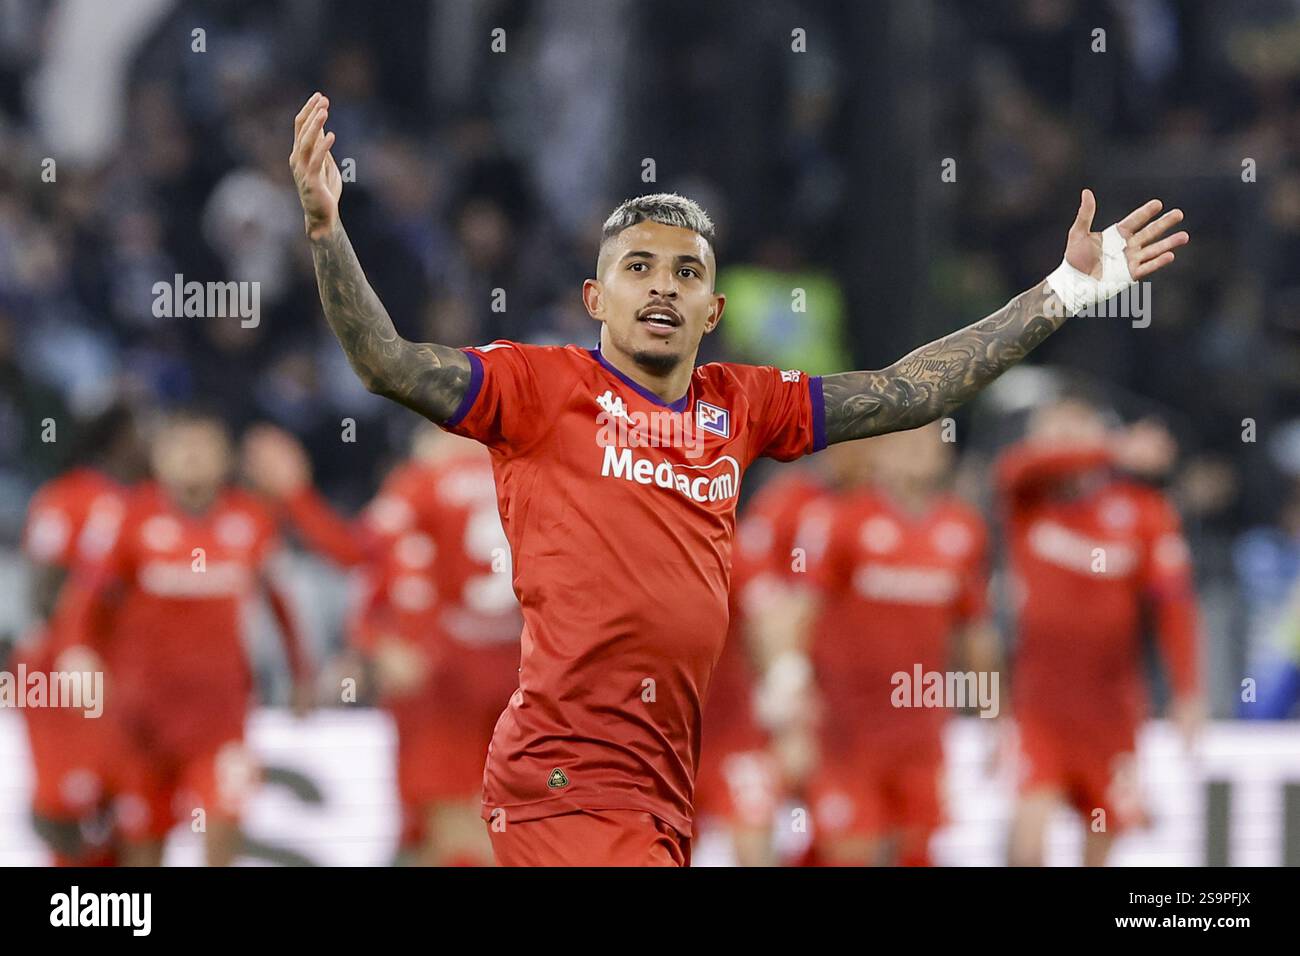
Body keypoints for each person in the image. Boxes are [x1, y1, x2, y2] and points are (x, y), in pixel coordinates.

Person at [289, 89, 1190, 865]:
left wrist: (1063, 292)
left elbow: (910, 391)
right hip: (565, 771)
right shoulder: (537, 388)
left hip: (661, 775)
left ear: (713, 309)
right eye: (636, 267)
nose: (662, 286)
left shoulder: (742, 405)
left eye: (686, 273)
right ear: (595, 299)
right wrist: (330, 232)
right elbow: (388, 363)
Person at [243, 422, 521, 866]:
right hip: (519, 670)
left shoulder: (420, 485)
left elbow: (359, 552)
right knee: (499, 816)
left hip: (442, 677)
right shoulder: (524, 475)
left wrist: (296, 495)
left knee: (453, 820)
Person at [54, 409, 315, 866]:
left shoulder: (252, 520)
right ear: (159, 458)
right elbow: (85, 596)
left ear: (224, 459)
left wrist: (300, 674)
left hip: (220, 718)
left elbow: (283, 606)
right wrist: (76, 652)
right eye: (180, 447)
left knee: (222, 827)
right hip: (142, 721)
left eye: (204, 447)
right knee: (143, 846)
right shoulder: (127, 517)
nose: (192, 457)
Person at [1000, 397, 1203, 866]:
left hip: (1112, 716)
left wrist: (1187, 691)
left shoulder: (1144, 513)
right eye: (1051, 433)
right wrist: (1116, 445)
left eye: (1073, 430)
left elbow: (1175, 606)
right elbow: (1018, 466)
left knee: (1100, 848)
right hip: (1041, 711)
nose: (1061, 443)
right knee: (1028, 847)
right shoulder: (1027, 497)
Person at [794, 422, 997, 866]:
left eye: (928, 443)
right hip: (847, 727)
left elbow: (974, 629)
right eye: (904, 443)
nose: (916, 453)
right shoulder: (841, 519)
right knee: (850, 850)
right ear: (880, 454)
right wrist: (791, 694)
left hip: (921, 728)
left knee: (916, 849)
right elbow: (802, 610)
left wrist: (990, 715)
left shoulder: (963, 529)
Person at [16, 403, 145, 866]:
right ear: (117, 438)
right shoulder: (78, 500)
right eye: (140, 430)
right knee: (72, 817)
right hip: (70, 673)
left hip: (108, 677)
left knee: (120, 816)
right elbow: (44, 586)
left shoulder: (141, 503)